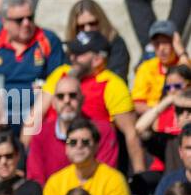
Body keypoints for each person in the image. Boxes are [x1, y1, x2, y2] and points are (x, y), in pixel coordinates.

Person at [41, 32, 144, 173]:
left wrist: (140, 174)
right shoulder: (61, 74)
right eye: (72, 53)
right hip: (52, 154)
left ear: (97, 59)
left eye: (79, 54)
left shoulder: (112, 84)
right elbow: (35, 115)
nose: (72, 58)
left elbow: (131, 133)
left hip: (91, 160)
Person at [0, 0, 65, 129]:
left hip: (37, 108)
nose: (26, 23)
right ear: (4, 22)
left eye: (30, 18)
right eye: (19, 20)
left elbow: (57, 82)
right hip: (0, 110)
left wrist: (34, 115)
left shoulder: (49, 40)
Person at [40, 119, 134, 195]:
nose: (79, 146)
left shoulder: (114, 180)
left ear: (96, 146)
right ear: (66, 147)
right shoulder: (55, 182)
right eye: (73, 142)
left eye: (85, 142)